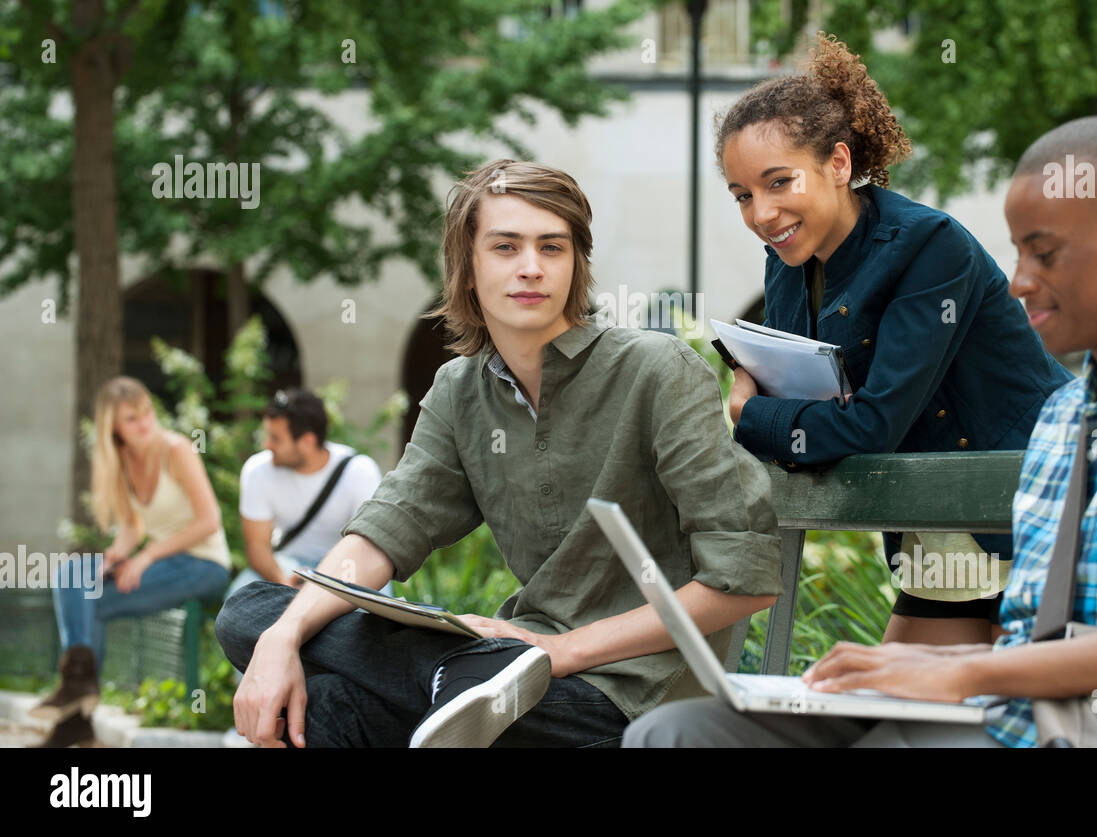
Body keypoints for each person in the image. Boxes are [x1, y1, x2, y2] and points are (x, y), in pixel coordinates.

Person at [624, 115, 1097, 747]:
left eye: (1046, 254)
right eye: (1018, 253)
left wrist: (967, 672)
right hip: (1012, 698)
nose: (1020, 282)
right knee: (675, 732)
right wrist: (914, 662)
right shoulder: (1066, 415)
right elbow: (1035, 631)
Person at [215, 159, 783, 748]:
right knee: (254, 616)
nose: (531, 268)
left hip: (631, 692)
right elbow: (388, 530)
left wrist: (562, 651)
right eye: (506, 247)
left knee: (350, 697)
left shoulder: (656, 371)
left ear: (575, 265)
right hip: (511, 675)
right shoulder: (459, 391)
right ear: (468, 268)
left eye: (552, 248)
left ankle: (459, 683)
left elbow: (747, 581)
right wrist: (281, 639)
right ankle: (454, 684)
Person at [720, 32, 1070, 645]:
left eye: (779, 183)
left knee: (1010, 722)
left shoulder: (930, 246)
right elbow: (813, 391)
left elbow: (871, 422)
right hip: (935, 519)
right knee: (901, 714)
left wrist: (751, 414)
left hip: (1026, 504)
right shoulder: (786, 261)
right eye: (743, 196)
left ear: (838, 163)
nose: (761, 214)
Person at [32, 376, 232, 747]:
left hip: (203, 565)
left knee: (85, 598)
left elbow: (209, 522)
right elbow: (131, 525)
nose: (144, 424)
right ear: (115, 429)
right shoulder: (122, 461)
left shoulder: (176, 450)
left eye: (146, 413)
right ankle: (78, 703)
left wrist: (148, 555)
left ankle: (75, 707)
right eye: (131, 419)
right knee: (74, 577)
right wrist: (115, 557)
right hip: (160, 565)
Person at [225, 387, 385, 598]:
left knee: (375, 607)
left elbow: (368, 547)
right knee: (237, 598)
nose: (267, 445)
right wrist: (283, 581)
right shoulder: (257, 471)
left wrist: (322, 581)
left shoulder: (359, 472)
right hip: (285, 567)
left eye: (275, 438)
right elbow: (257, 547)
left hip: (346, 568)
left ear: (308, 442)